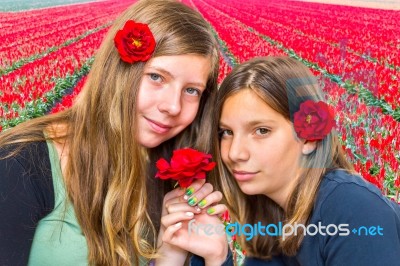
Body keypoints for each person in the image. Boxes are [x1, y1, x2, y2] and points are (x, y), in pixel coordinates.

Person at [0, 0, 227, 265]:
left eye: (192, 91)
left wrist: (190, 256)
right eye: (156, 77)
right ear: (118, 72)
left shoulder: (173, 177)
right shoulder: (19, 164)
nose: (173, 106)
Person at [165, 56, 400, 265]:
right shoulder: (270, 221)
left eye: (261, 130)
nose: (235, 153)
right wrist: (216, 257)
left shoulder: (352, 209)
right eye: (226, 132)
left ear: (309, 137)